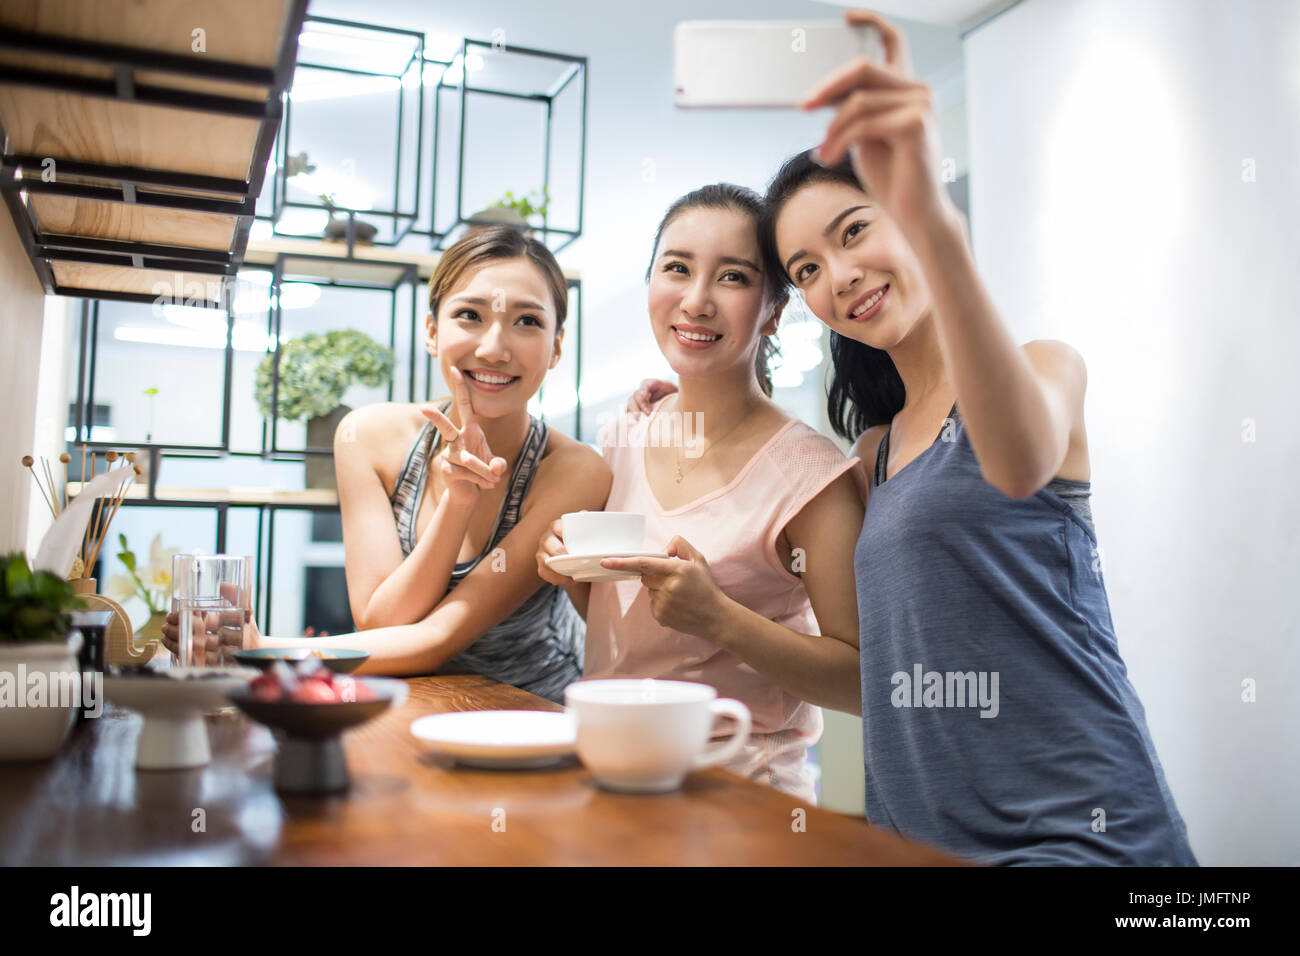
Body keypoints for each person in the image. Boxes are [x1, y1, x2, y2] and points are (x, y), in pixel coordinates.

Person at [747, 9, 1196, 863]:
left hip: (1078, 832)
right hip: (922, 838)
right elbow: (870, 676)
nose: (838, 278)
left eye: (855, 231)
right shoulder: (873, 454)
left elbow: (1019, 461)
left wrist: (933, 215)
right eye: (806, 270)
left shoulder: (1045, 369)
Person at [164, 226, 610, 703]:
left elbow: (438, 639)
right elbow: (381, 620)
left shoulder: (576, 471)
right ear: (432, 332)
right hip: (409, 704)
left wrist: (264, 648)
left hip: (533, 712)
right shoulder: (367, 437)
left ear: (556, 347)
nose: (494, 348)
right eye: (469, 315)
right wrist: (457, 504)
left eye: (527, 321)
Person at [537, 183, 866, 803]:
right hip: (614, 770)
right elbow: (637, 643)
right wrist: (574, 574)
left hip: (743, 796)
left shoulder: (811, 477)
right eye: (677, 268)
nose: (696, 300)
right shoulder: (625, 433)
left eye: (733, 278)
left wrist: (720, 618)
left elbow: (861, 682)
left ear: (772, 310)